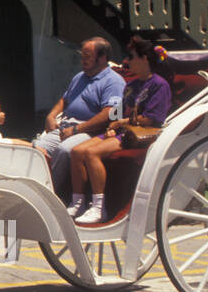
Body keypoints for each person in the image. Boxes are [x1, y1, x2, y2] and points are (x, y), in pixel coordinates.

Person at [68, 37, 174, 225]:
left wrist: (121, 123)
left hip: (141, 134)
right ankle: (78, 203)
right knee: (77, 151)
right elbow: (117, 111)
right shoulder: (131, 85)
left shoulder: (159, 85)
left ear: (144, 59)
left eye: (132, 57)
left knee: (91, 153)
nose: (127, 61)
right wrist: (112, 125)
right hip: (122, 131)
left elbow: (152, 119)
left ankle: (99, 208)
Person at [32, 37, 126, 198]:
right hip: (65, 126)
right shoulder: (79, 77)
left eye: (87, 56)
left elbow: (111, 114)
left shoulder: (114, 82)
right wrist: (51, 115)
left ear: (102, 58)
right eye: (82, 55)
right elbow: (64, 100)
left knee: (64, 150)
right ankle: (31, 188)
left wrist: (76, 129)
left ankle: (46, 196)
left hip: (91, 131)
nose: (82, 59)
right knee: (35, 149)